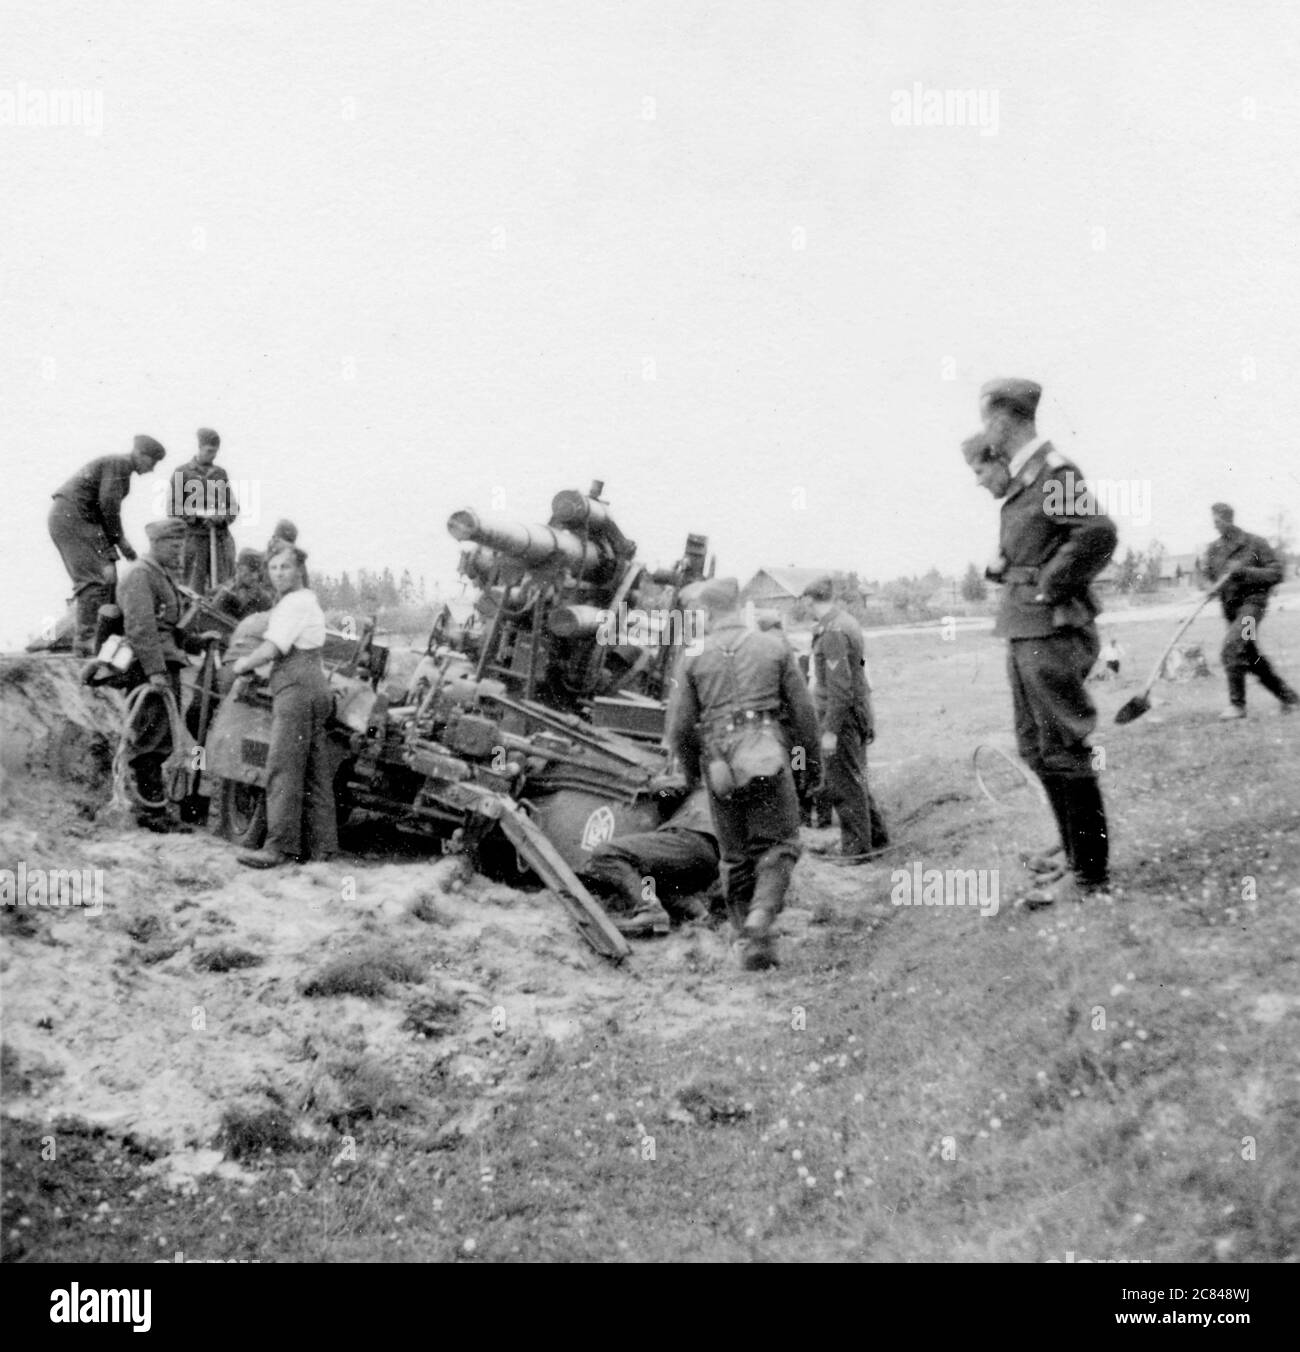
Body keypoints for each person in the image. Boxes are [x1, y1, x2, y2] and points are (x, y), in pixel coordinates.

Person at [965, 378, 1118, 908]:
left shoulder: (1053, 471)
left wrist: (1050, 584)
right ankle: (1076, 858)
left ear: (1005, 420)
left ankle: (1091, 874)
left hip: (1050, 627)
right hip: (1025, 628)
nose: (986, 434)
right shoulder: (1026, 480)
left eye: (988, 422)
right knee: (1038, 748)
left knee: (1065, 748)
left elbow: (1097, 531)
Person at [667, 576, 821, 969]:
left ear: (706, 611)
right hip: (768, 756)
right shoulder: (773, 647)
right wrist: (808, 768)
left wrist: (692, 776)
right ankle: (761, 918)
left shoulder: (694, 656)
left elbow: (680, 730)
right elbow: (805, 718)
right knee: (781, 845)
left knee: (735, 857)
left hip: (718, 764)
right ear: (740, 604)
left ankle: (747, 944)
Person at [229, 542, 338, 867]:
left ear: (299, 570)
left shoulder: (294, 604)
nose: (278, 574)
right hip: (314, 686)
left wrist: (241, 666)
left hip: (296, 691)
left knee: (283, 768)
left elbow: (273, 648)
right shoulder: (307, 602)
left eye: (285, 567)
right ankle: (323, 850)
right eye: (273, 568)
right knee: (316, 774)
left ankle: (279, 848)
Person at [48, 435, 167, 654]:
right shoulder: (119, 464)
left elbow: (105, 510)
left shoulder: (121, 469)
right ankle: (86, 638)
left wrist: (117, 547)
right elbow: (108, 504)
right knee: (97, 576)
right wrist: (120, 540)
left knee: (109, 573)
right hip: (73, 516)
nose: (151, 470)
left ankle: (102, 636)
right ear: (139, 454)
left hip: (82, 519)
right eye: (152, 462)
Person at [800, 575, 889, 863]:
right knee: (856, 777)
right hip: (854, 714)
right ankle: (875, 837)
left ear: (810, 600)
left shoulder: (833, 632)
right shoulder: (846, 622)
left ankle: (856, 850)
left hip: (842, 718)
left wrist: (830, 731)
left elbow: (841, 688)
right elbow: (860, 675)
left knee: (844, 783)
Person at [116, 517, 196, 831]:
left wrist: (197, 642)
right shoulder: (140, 574)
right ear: (157, 544)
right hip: (148, 670)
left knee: (162, 739)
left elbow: (169, 628)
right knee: (150, 739)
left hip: (164, 666)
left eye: (182, 546)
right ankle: (149, 813)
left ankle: (156, 809)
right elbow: (141, 628)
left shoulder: (161, 575)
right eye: (174, 546)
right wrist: (155, 671)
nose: (179, 553)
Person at [578, 788, 720, 936]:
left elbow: (669, 793)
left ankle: (650, 910)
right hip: (710, 862)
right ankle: (694, 911)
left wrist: (657, 790)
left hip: (689, 839)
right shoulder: (722, 796)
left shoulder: (696, 784)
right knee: (647, 879)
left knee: (606, 852)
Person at [1202, 503, 1297, 719]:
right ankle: (1290, 698)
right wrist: (1209, 588)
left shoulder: (1255, 543)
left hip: (1252, 608)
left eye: (1218, 521)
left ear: (1229, 519)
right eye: (1213, 522)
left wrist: (1244, 571)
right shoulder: (1213, 549)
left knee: (1233, 646)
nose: (1216, 526)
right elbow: (1208, 576)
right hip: (1231, 610)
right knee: (1249, 656)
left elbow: (1277, 573)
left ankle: (1237, 705)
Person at [168, 427, 238, 592]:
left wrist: (221, 517)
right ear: (199, 448)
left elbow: (233, 507)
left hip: (219, 539)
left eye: (215, 451)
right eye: (209, 451)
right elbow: (172, 508)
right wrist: (197, 517)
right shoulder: (182, 472)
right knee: (192, 587)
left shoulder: (220, 474)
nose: (213, 455)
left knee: (222, 588)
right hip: (194, 539)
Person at [210, 548, 275, 622]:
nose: (255, 576)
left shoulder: (263, 600)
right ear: (238, 568)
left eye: (258, 571)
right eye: (252, 570)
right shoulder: (220, 594)